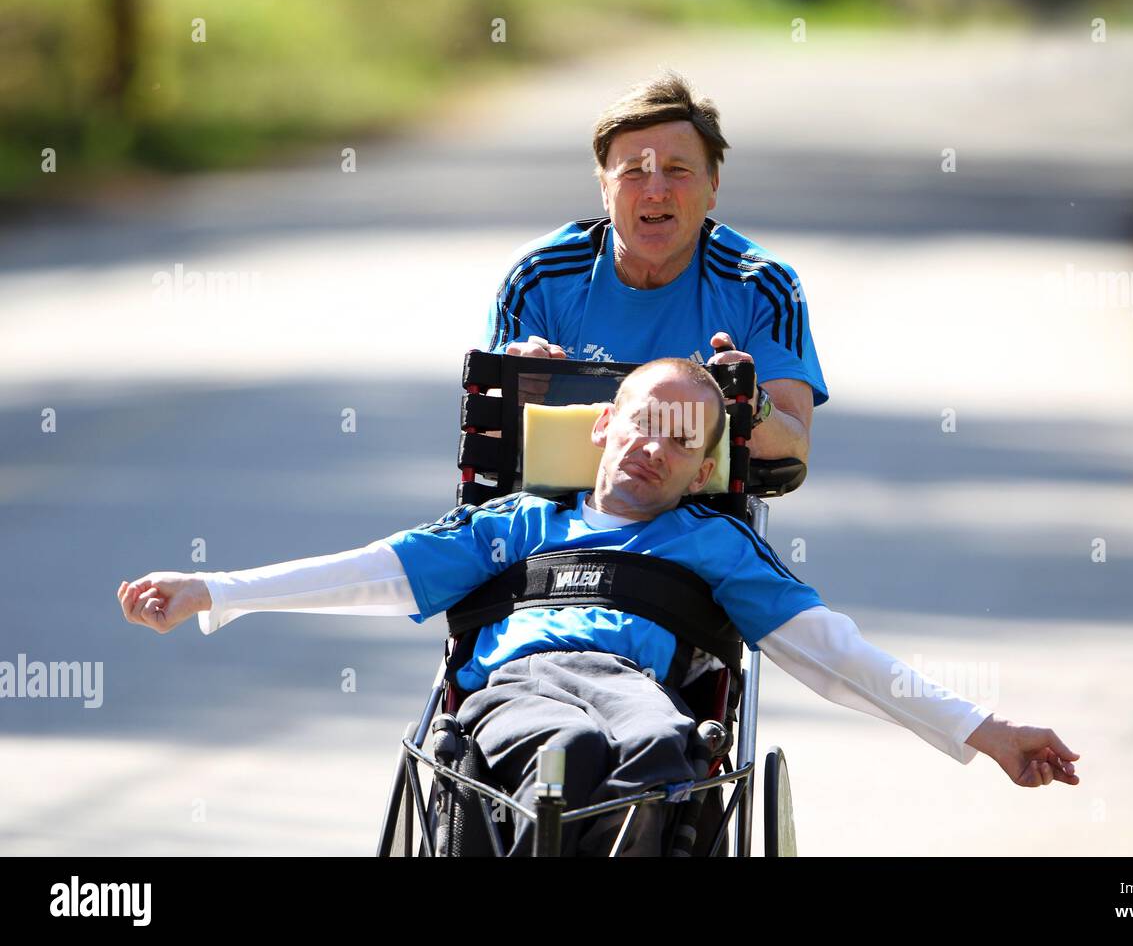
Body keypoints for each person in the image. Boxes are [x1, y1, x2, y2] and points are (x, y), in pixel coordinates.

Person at [117, 359, 1081, 856]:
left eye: (680, 437)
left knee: (662, 755)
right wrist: (217, 593)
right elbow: (371, 569)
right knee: (568, 754)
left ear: (703, 465)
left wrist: (984, 731)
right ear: (601, 427)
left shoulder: (713, 543)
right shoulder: (514, 523)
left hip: (638, 693)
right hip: (516, 688)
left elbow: (834, 653)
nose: (652, 446)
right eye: (640, 422)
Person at [487, 70, 825, 464]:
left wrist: (752, 403)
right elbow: (487, 437)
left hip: (700, 518)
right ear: (603, 189)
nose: (656, 191)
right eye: (634, 171)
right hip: (555, 516)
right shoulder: (539, 276)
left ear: (713, 185)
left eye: (677, 170)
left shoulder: (762, 285)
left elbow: (794, 446)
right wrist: (517, 389)